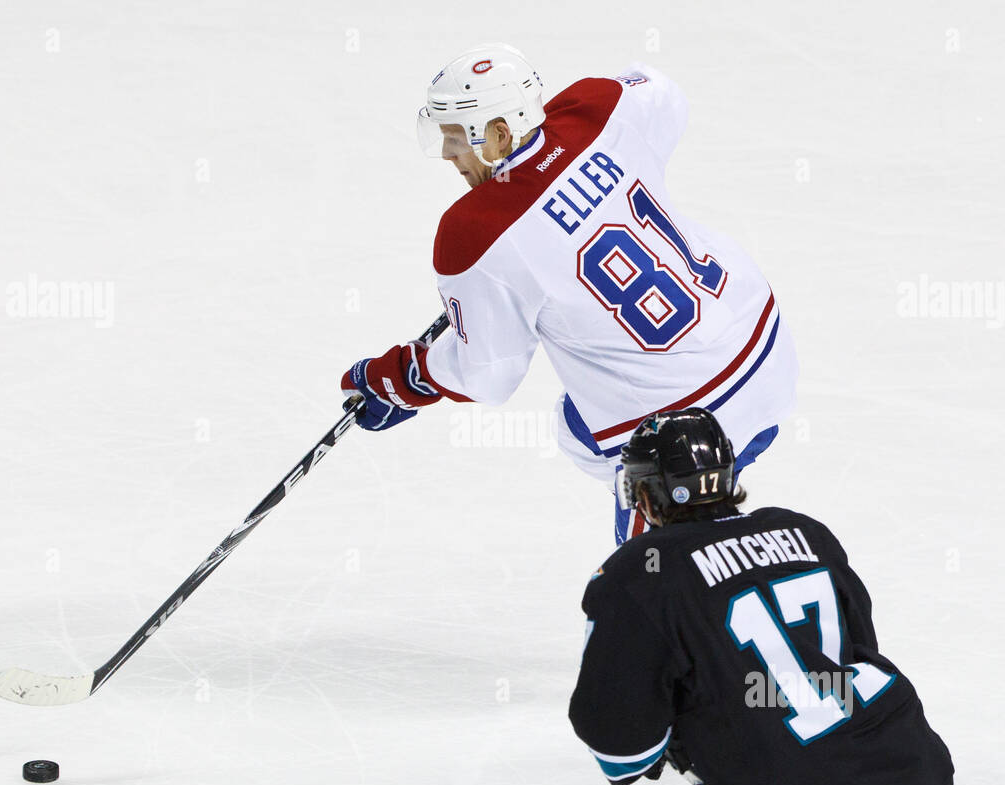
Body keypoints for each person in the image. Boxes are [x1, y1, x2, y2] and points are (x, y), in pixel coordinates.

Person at [341, 43, 797, 543]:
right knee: (578, 422)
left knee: (656, 580)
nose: (448, 153)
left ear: (497, 133)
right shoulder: (597, 108)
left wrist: (404, 376)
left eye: (455, 136)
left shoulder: (474, 232)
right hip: (765, 347)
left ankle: (693, 533)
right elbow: (661, 94)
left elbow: (488, 375)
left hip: (677, 426)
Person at [569, 408, 955, 785]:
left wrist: (711, 759)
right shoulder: (805, 533)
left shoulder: (640, 572)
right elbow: (849, 657)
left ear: (647, 493)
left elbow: (619, 746)